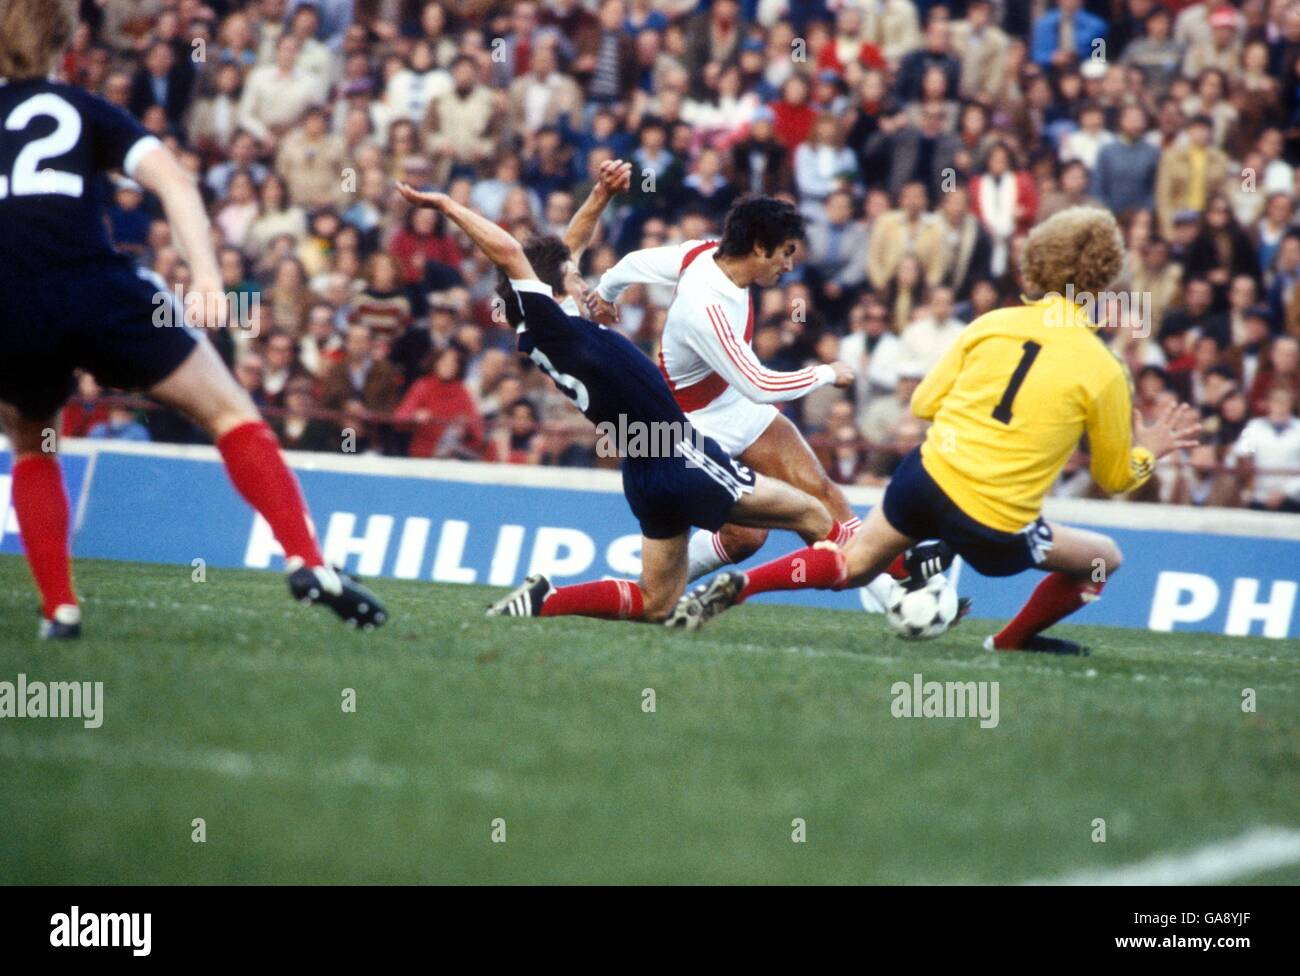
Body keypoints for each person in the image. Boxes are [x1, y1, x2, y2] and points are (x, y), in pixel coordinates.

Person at [395, 172, 948, 624]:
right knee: (811, 511)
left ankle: (546, 600)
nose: (579, 274)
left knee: (656, 601)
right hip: (682, 450)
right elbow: (512, 251)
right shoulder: (553, 319)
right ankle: (899, 582)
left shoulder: (543, 328)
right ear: (544, 288)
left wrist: (600, 196)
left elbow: (567, 246)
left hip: (643, 466)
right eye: (571, 275)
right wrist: (447, 204)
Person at [0, 0, 386, 638]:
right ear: (62, 45)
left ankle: (60, 610)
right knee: (229, 411)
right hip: (94, 287)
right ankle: (308, 560)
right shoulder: (85, 109)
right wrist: (206, 276)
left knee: (35, 442)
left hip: (11, 307)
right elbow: (175, 182)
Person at [678, 208, 1202, 655]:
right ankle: (1009, 641)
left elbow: (926, 402)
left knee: (853, 561)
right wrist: (1148, 451)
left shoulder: (991, 323)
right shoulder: (1106, 370)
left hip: (924, 479)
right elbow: (1114, 478)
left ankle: (743, 585)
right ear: (1103, 280)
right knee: (1104, 558)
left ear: (1038, 261)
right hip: (997, 519)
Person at [586, 196, 939, 611]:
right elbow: (760, 384)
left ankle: (895, 594)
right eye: (786, 252)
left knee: (822, 493)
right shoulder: (707, 306)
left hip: (732, 401)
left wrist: (605, 292)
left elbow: (633, 264)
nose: (789, 265)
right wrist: (826, 373)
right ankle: (651, 589)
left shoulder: (701, 253)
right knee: (745, 538)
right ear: (758, 247)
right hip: (695, 426)